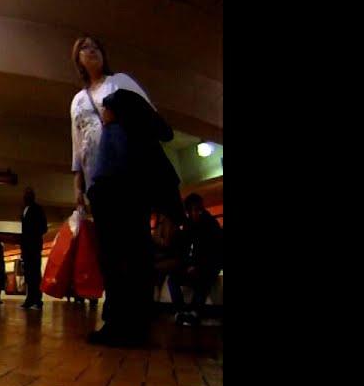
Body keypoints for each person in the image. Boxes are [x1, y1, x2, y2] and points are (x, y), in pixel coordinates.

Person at [69, 35, 177, 346]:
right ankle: (114, 322)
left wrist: (119, 114)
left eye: (97, 47)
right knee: (111, 254)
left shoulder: (120, 82)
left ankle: (138, 323)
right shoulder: (77, 101)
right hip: (98, 182)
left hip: (129, 175)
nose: (93, 51)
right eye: (85, 48)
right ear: (77, 60)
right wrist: (78, 183)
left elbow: (150, 116)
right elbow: (76, 143)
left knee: (136, 249)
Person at [167, 194, 223, 325]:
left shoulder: (211, 225)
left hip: (208, 266)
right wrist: (187, 265)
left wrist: (197, 265)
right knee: (172, 279)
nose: (199, 212)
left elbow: (214, 253)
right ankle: (180, 311)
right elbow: (185, 250)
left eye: (200, 209)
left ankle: (195, 311)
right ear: (188, 212)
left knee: (205, 275)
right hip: (194, 265)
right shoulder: (188, 227)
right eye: (195, 210)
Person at [20, 187, 47, 309]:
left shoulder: (37, 209)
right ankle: (31, 298)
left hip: (34, 245)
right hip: (27, 246)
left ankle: (36, 299)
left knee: (34, 273)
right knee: (30, 273)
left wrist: (32, 234)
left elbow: (43, 227)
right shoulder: (25, 209)